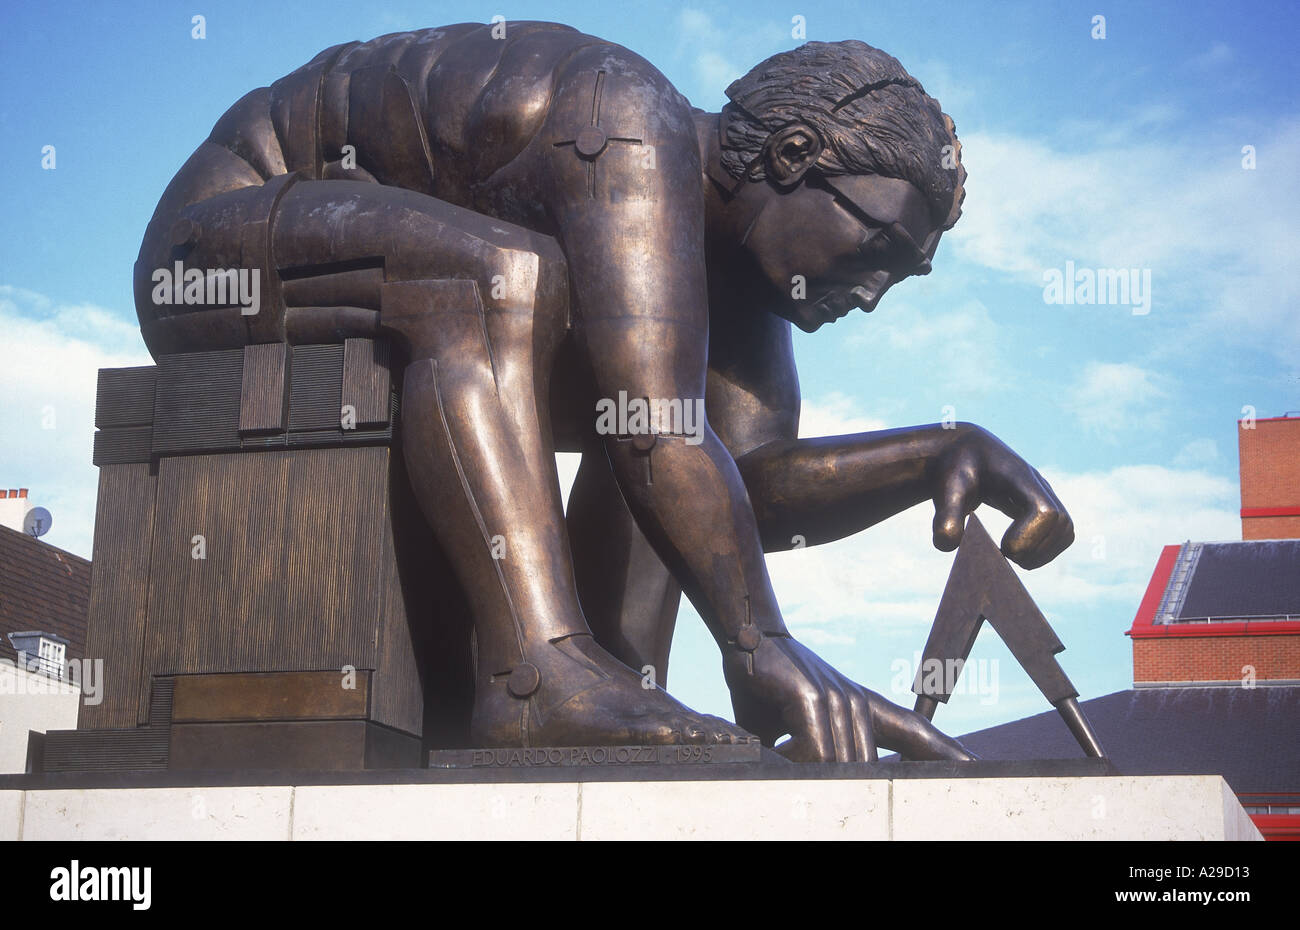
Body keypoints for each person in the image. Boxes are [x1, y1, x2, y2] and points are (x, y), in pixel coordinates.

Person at [135, 22, 1073, 762]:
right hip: (217, 246)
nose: (870, 296)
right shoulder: (627, 117)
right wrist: (761, 648)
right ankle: (537, 676)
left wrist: (935, 454)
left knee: (660, 413)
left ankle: (612, 679)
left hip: (337, 266)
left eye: (899, 278)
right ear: (793, 155)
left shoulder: (736, 270)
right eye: (876, 249)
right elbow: (658, 437)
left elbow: (743, 489)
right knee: (502, 282)